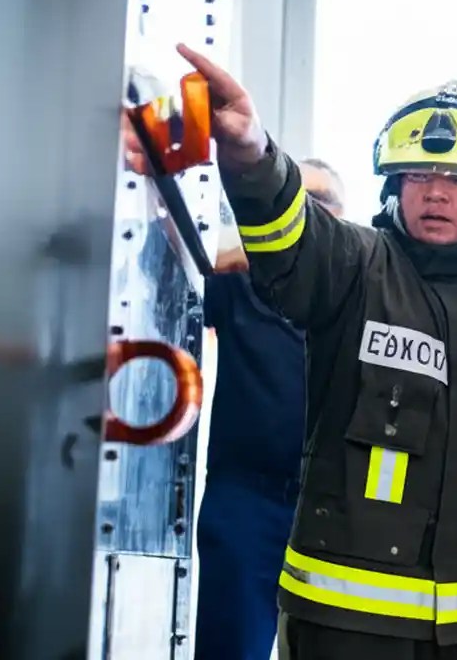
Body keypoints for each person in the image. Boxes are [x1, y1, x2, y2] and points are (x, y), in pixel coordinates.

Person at [159, 44, 457, 660]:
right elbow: (290, 230)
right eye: (419, 177)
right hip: (345, 626)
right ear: (395, 187)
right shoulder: (355, 264)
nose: (435, 193)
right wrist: (250, 150)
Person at [194, 160, 345, 660]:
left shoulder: (359, 294)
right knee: (231, 648)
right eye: (297, 200)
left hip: (335, 511)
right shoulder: (240, 283)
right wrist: (245, 253)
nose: (308, 214)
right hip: (246, 504)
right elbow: (182, 273)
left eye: (321, 202)